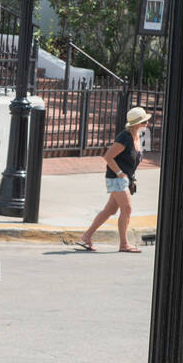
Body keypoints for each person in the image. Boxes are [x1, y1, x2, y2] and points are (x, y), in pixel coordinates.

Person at [76, 106, 150, 254]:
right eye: (144, 121)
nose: (147, 123)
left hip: (126, 178)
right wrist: (120, 173)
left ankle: (86, 236)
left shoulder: (138, 136)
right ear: (137, 123)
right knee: (127, 209)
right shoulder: (124, 138)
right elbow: (108, 157)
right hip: (117, 178)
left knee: (110, 210)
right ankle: (124, 244)